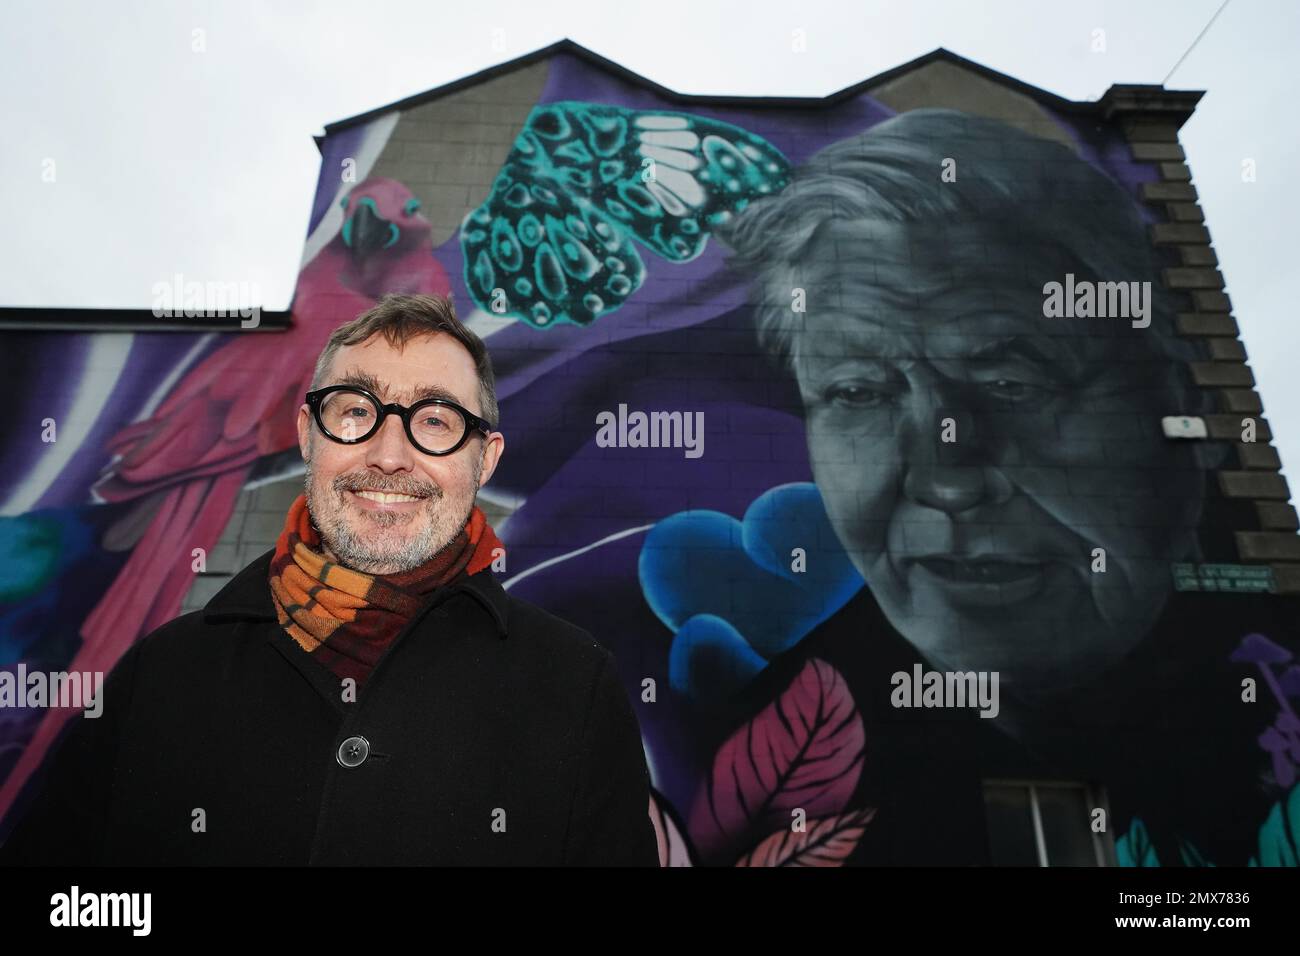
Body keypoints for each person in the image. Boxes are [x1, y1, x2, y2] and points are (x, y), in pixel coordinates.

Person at [702, 108, 1293, 864]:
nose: (946, 480)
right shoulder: (741, 746)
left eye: (1013, 381)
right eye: (857, 393)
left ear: (1184, 405)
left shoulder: (1274, 691)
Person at [0, 293, 659, 866]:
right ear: (307, 435)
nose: (389, 455)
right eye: (353, 411)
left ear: (483, 460)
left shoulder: (575, 688)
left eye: (434, 420)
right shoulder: (157, 678)